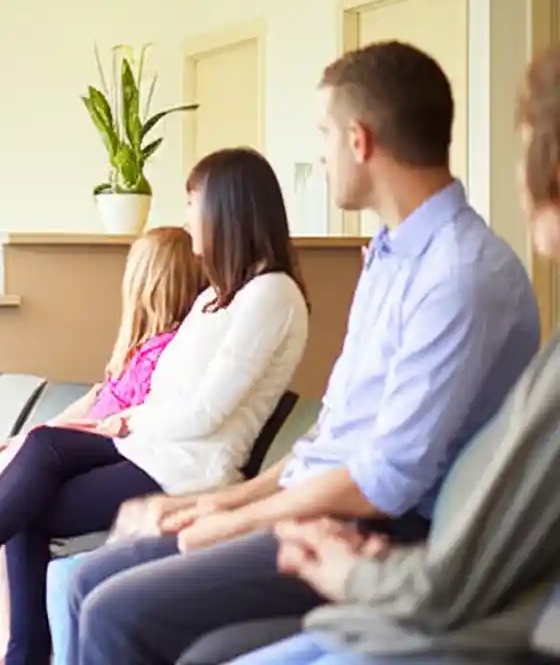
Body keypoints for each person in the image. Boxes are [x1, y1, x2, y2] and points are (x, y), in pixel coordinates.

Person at [64, 40, 541, 665]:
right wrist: (215, 503)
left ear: (359, 139)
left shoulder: (458, 274)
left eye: (323, 134)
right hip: (326, 502)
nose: (319, 153)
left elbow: (383, 483)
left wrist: (231, 523)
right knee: (83, 583)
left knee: (113, 610)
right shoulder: (392, 256)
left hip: (376, 531)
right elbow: (329, 441)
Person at [0, 146, 312, 665]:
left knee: (25, 507)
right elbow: (170, 387)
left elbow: (206, 411)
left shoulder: (272, 295)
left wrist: (129, 418)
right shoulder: (215, 297)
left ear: (227, 209)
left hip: (188, 469)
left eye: (193, 202)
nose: (188, 217)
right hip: (149, 447)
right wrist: (132, 420)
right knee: (43, 446)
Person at [223, 45, 560, 665]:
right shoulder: (388, 255)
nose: (519, 178)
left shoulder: (464, 274)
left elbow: (453, 575)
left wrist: (353, 572)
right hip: (429, 581)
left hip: (457, 608)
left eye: (527, 147)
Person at [0, 226, 205, 664]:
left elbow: (128, 423)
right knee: (5, 476)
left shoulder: (170, 353)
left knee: (16, 494)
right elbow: (97, 399)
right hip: (92, 448)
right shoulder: (137, 350)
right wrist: (28, 439)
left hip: (123, 457)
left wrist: (44, 441)